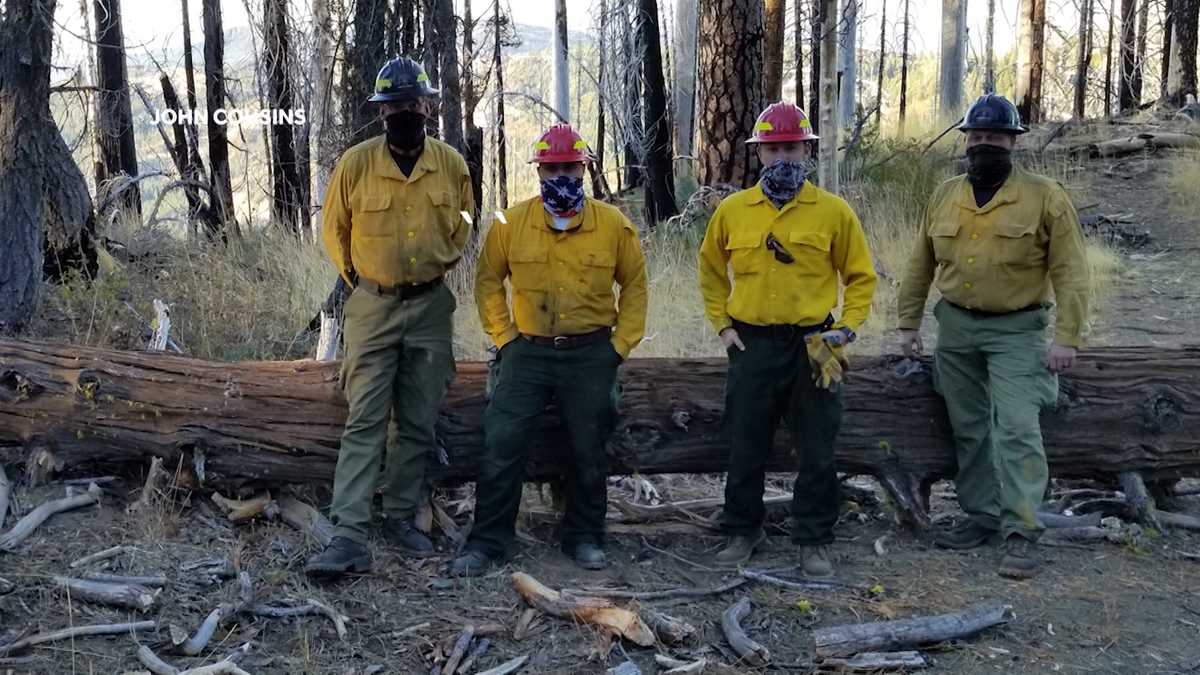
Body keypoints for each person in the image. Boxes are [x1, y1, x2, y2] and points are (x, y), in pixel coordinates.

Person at [896, 93, 1090, 580]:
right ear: (965, 141)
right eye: (977, 136)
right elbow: (920, 264)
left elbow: (1071, 271)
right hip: (955, 328)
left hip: (1017, 330)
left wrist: (1067, 337)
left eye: (996, 137)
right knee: (968, 426)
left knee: (1018, 428)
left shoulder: (1045, 196)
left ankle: (1022, 527)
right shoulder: (945, 194)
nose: (985, 144)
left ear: (1014, 141)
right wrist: (907, 324)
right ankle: (981, 515)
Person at [450, 124, 648, 576]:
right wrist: (505, 338)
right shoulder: (510, 223)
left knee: (589, 445)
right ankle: (488, 542)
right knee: (502, 440)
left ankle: (584, 536)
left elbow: (635, 286)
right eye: (551, 168)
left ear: (584, 168)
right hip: (527, 352)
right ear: (539, 171)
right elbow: (487, 282)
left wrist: (618, 347)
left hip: (592, 352)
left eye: (569, 167)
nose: (561, 176)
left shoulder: (613, 225)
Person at [306, 56, 475, 579]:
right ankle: (349, 534)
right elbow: (334, 231)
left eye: (412, 103)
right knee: (365, 419)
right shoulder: (355, 165)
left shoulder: (451, 165)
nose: (404, 112)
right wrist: (362, 278)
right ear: (380, 112)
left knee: (418, 419)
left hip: (431, 308)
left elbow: (464, 221)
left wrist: (438, 265)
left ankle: (401, 514)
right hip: (372, 306)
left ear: (427, 106)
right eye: (394, 105)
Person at [697, 102, 877, 576]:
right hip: (751, 344)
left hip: (818, 344)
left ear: (806, 150)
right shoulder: (733, 211)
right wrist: (723, 326)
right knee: (745, 441)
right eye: (772, 148)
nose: (781, 157)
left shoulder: (833, 212)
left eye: (791, 147)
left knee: (818, 443)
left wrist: (846, 329)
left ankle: (813, 538)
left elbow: (861, 277)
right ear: (758, 153)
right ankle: (742, 530)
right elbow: (710, 271)